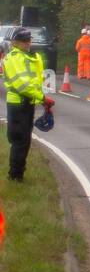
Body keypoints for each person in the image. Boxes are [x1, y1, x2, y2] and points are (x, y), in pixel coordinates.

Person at [4, 28, 53, 182]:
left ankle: (17, 173)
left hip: (26, 103)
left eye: (28, 40)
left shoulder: (28, 57)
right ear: (15, 43)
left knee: (22, 140)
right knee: (20, 140)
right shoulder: (14, 58)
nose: (28, 44)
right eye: (24, 41)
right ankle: (15, 176)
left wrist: (40, 99)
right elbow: (23, 85)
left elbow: (35, 81)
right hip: (19, 103)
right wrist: (42, 98)